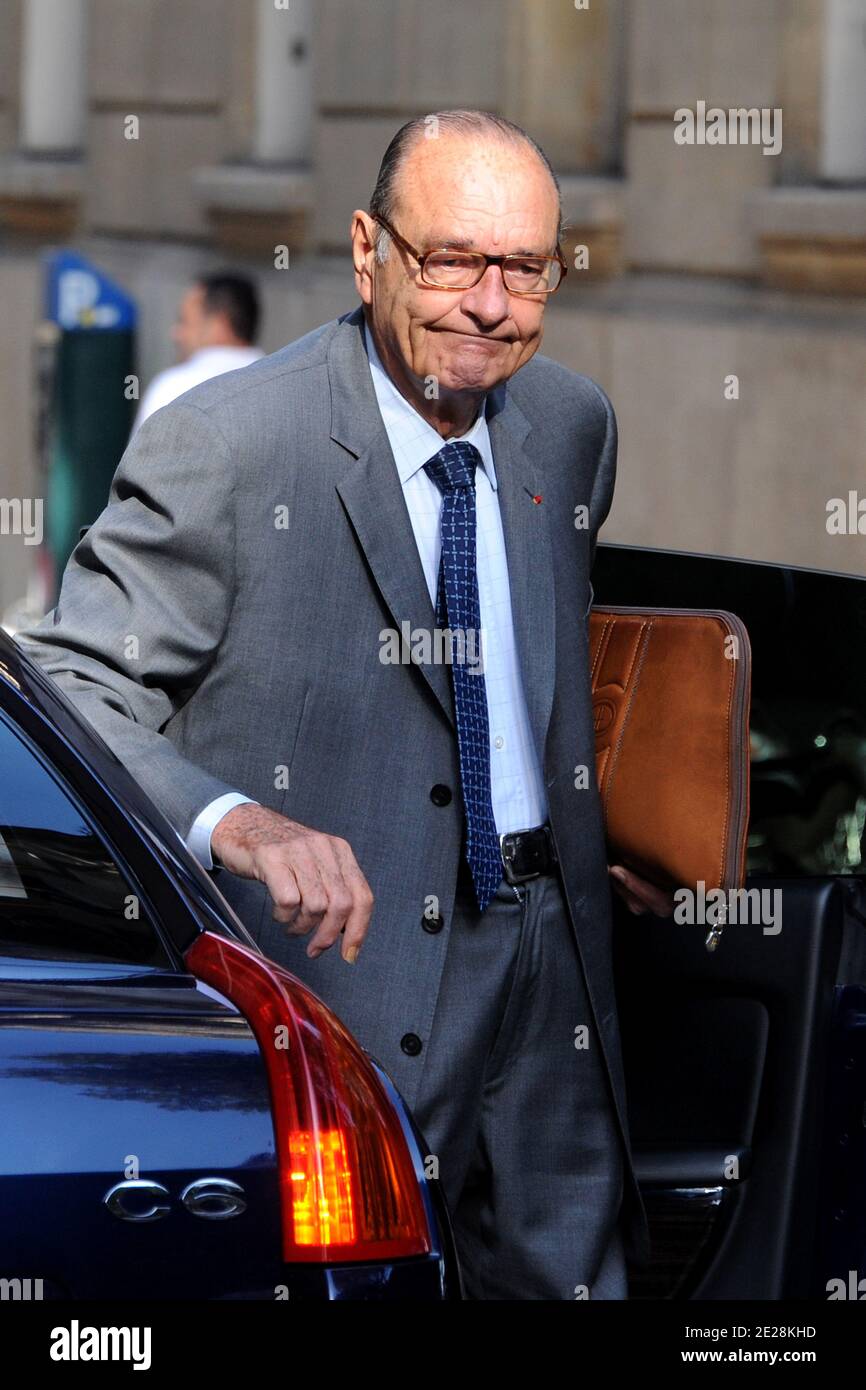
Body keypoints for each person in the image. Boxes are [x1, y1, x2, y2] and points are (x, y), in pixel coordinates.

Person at [18, 109, 670, 1300]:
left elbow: (544, 670)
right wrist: (239, 824)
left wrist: (611, 834)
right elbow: (70, 687)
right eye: (450, 260)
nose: (487, 302)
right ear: (368, 251)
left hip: (551, 961)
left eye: (523, 268)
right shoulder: (227, 448)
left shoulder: (572, 428)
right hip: (341, 987)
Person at [132, 272, 264, 432]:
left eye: (184, 321)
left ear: (219, 326)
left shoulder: (173, 387)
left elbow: (143, 456)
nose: (175, 333)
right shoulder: (283, 390)